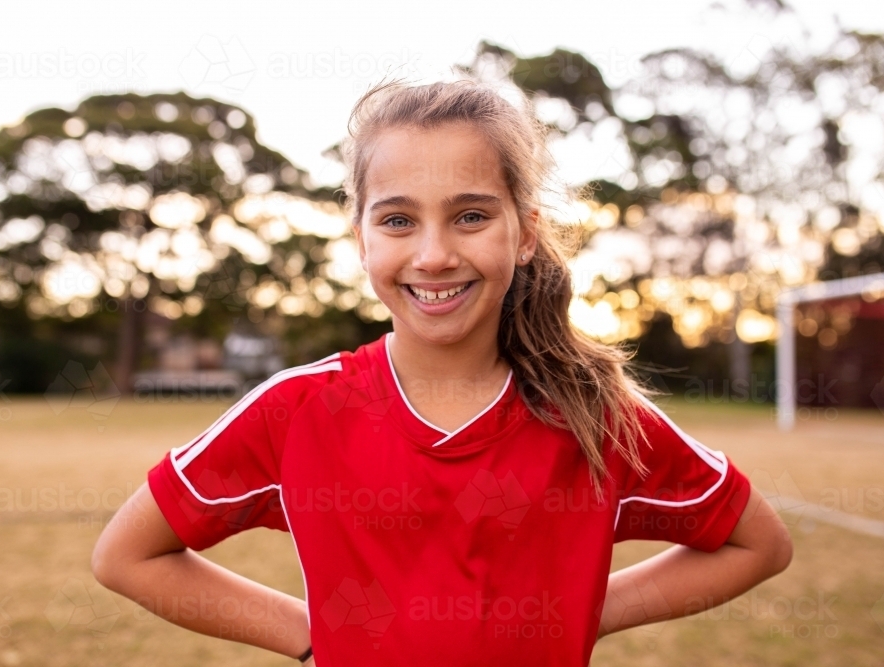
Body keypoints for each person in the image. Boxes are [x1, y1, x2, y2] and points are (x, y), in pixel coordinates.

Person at [91, 78, 793, 666]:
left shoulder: (592, 413)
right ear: (359, 237)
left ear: (524, 232)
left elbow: (759, 542)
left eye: (470, 215)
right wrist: (312, 635)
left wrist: (579, 613)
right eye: (398, 220)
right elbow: (126, 555)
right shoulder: (297, 408)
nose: (433, 254)